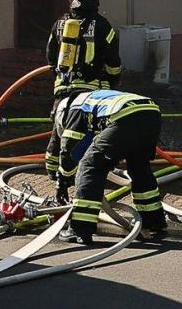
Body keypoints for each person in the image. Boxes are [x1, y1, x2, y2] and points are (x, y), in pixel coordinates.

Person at [53, 88, 166, 245]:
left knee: (90, 166)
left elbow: (69, 152)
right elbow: (85, 146)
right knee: (139, 168)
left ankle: (80, 229)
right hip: (151, 113)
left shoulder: (76, 108)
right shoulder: (90, 100)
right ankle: (154, 220)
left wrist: (62, 181)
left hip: (125, 116)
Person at [43, 0, 122, 183]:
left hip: (62, 90)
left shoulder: (60, 24)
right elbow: (114, 61)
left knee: (59, 128)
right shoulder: (103, 26)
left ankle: (53, 170)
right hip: (89, 92)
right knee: (86, 131)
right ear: (96, 0)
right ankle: (81, 172)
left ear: (76, 0)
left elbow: (51, 56)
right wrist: (113, 84)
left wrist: (60, 76)